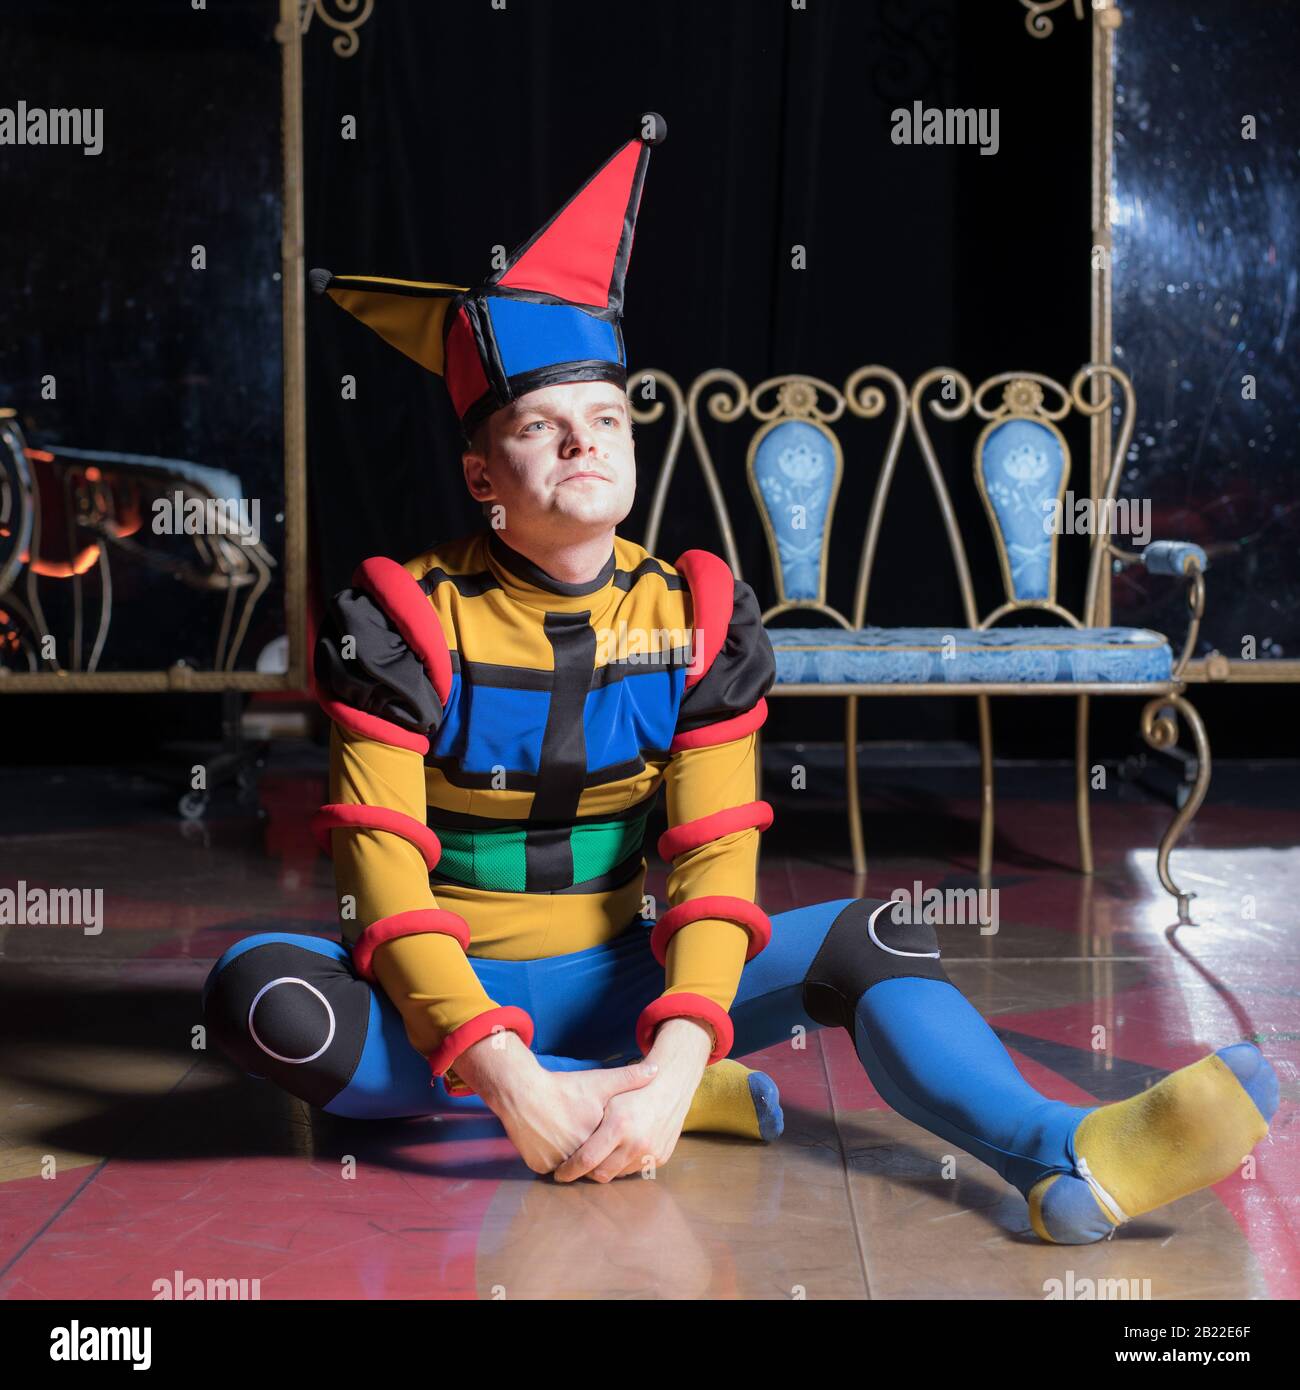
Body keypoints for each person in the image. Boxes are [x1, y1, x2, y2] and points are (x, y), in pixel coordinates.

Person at [203, 114, 1276, 1241]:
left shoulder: (699, 614)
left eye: (606, 416)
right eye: (541, 425)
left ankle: (1063, 1151)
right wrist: (513, 1076)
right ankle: (540, 1101)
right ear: (481, 470)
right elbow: (386, 882)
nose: (584, 442)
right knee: (260, 998)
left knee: (870, 937)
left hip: (624, 988)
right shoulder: (400, 618)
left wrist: (671, 1059)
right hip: (442, 999)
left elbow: (713, 865)